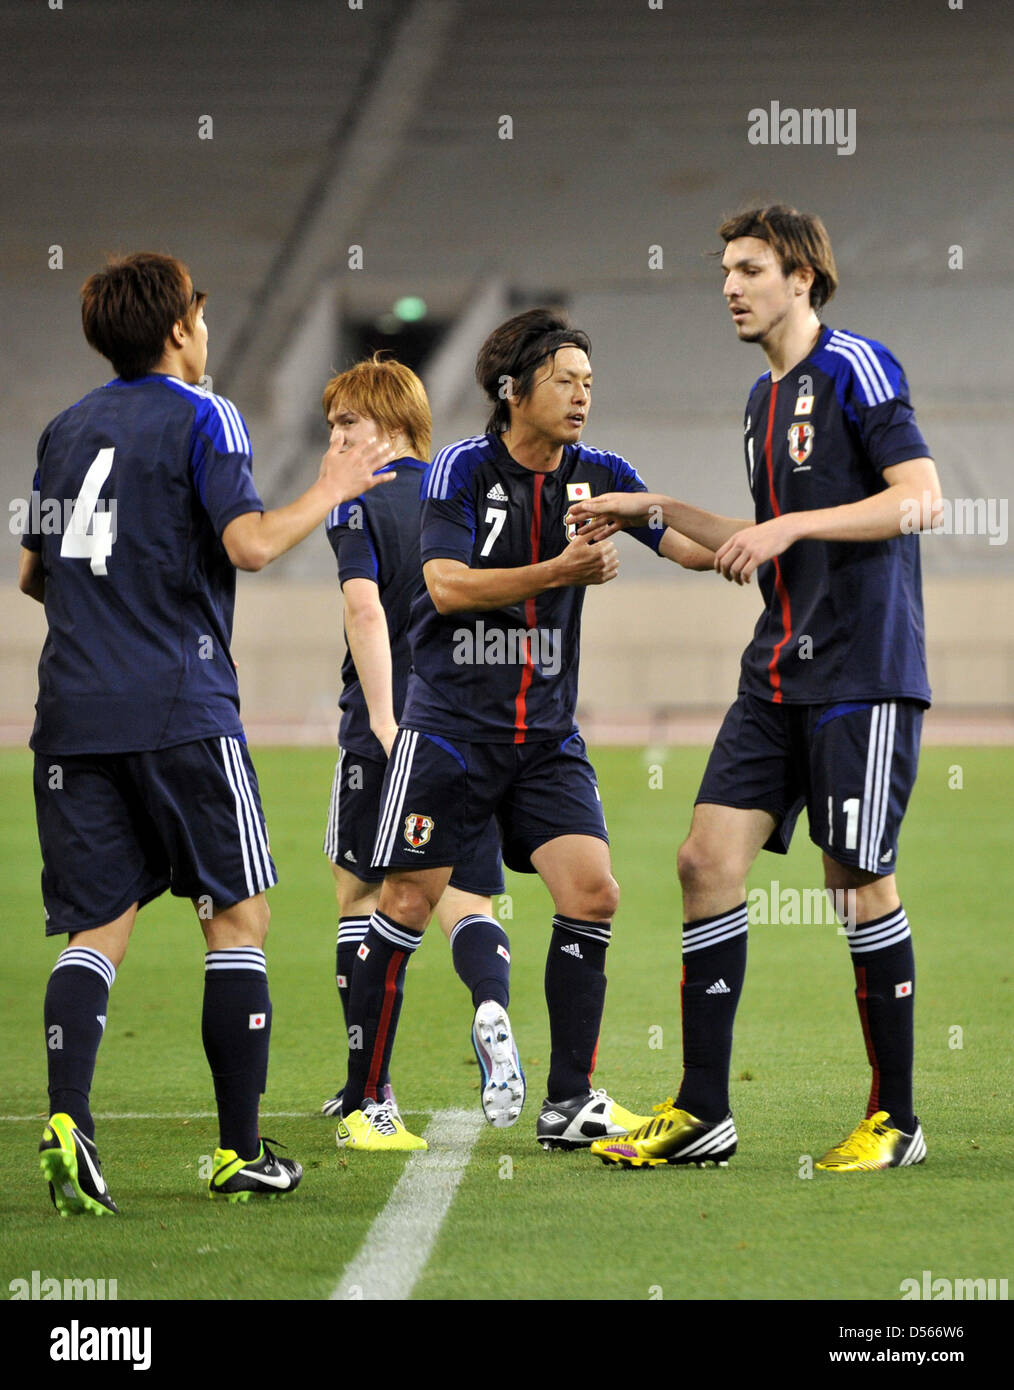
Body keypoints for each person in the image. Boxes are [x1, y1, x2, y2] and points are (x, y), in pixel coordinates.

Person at [568, 206, 941, 1172]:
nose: (731, 286)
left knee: (856, 884)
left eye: (751, 268)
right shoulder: (758, 401)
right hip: (779, 668)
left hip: (863, 669)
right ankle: (703, 1111)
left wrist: (791, 530)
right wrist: (647, 511)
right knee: (702, 861)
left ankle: (896, 1121)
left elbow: (919, 497)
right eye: (725, 270)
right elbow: (729, 548)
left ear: (803, 279)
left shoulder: (858, 367)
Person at [18, 252, 393, 1214]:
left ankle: (69, 1120)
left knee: (96, 930)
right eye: (200, 311)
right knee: (237, 917)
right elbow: (252, 545)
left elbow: (32, 573)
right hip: (179, 707)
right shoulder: (203, 413)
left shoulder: (62, 429)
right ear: (181, 327)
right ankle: (236, 1151)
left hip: (69, 716)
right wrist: (335, 484)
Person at [337, 309, 715, 1152]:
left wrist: (753, 541)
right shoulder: (463, 470)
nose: (583, 395)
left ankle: (568, 1101)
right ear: (514, 391)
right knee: (404, 901)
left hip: (545, 735)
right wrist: (560, 570)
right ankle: (367, 1102)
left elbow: (685, 548)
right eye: (565, 381)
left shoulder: (603, 473)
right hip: (449, 733)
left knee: (593, 894)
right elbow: (442, 586)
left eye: (589, 382)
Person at [318, 354, 512, 1151]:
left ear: (392, 427)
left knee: (361, 898)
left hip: (388, 732)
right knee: (467, 899)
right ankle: (492, 1008)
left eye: (346, 425)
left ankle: (372, 1089)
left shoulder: (356, 500)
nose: (333, 440)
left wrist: (385, 719)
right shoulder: (465, 492)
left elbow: (365, 610)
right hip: (473, 732)